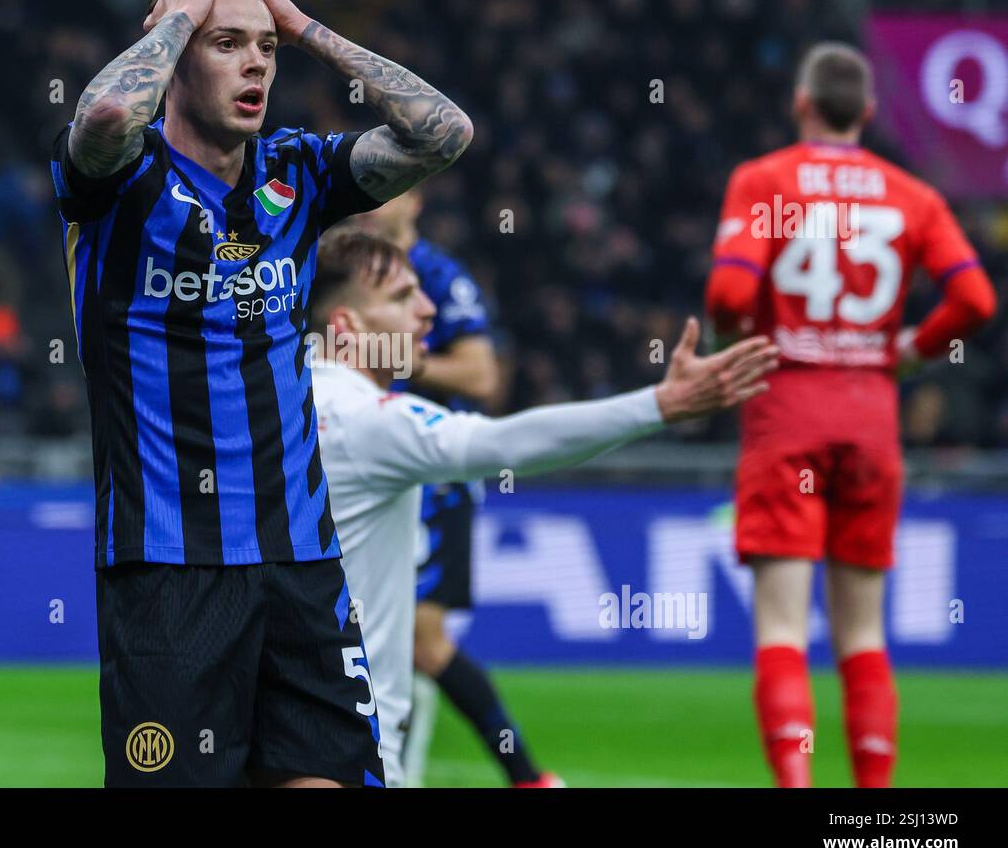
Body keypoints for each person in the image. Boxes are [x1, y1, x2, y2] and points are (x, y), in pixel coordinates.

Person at [49, 0, 473, 786]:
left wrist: (303, 25)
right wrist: (173, 20)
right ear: (173, 59)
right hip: (168, 568)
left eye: (264, 49)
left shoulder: (297, 172)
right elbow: (102, 113)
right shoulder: (120, 183)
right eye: (225, 44)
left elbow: (445, 133)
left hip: (301, 564)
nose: (255, 63)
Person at [310, 229, 780, 785]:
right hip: (348, 737)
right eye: (400, 298)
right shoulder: (367, 419)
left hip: (301, 723)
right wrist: (659, 404)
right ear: (346, 327)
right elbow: (505, 443)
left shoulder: (281, 399)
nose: (428, 310)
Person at [704, 41, 997, 788]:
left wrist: (737, 355)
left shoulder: (764, 180)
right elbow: (976, 301)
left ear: (801, 104)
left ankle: (799, 788)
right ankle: (871, 807)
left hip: (787, 409)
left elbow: (731, 299)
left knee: (781, 629)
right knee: (864, 633)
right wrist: (912, 353)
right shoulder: (913, 195)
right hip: (871, 414)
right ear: (867, 113)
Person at [350, 192, 560, 787]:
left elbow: (481, 374)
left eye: (386, 188)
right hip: (362, 466)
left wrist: (393, 355)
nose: (369, 200)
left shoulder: (439, 277)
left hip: (431, 477)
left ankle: (527, 775)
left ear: (413, 200)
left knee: (424, 640)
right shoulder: (337, 265)